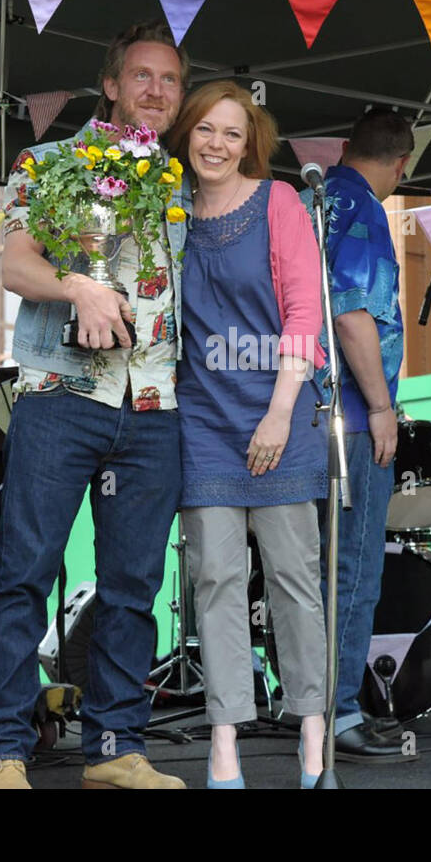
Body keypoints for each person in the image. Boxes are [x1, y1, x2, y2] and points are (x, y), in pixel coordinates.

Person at [0, 21, 191, 790]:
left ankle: (115, 746)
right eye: (142, 76)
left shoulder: (184, 179)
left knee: (133, 585)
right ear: (111, 83)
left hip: (156, 404)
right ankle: (2, 747)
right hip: (62, 395)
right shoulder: (52, 161)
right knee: (25, 571)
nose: (156, 91)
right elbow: (15, 262)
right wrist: (80, 286)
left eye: (169, 80)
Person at [164, 81, 328, 789]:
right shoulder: (170, 215)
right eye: (205, 129)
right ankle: (224, 735)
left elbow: (304, 308)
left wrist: (282, 409)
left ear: (249, 140)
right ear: (187, 134)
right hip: (202, 414)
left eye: (232, 133)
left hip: (279, 406)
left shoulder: (280, 202)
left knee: (294, 576)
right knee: (216, 577)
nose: (217, 144)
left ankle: (313, 725)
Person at [312, 107, 415, 763]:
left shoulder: (310, 201)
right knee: (352, 568)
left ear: (348, 145)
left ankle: (309, 706)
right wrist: (382, 406)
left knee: (310, 569)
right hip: (349, 417)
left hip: (301, 413)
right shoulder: (364, 210)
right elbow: (352, 312)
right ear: (403, 163)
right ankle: (341, 711)